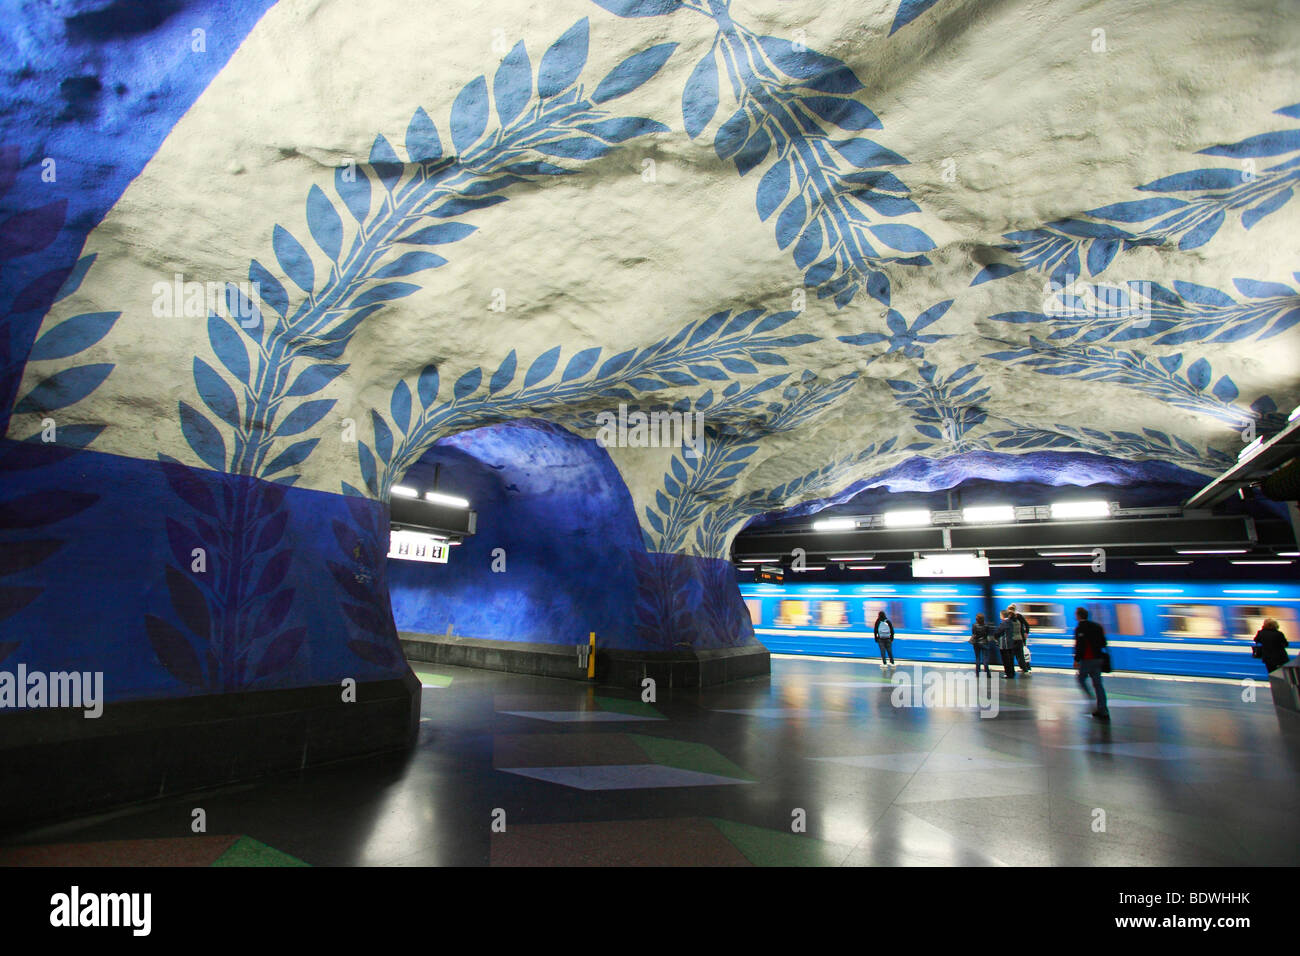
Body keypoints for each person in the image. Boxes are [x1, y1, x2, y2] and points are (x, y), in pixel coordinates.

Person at [1073, 607, 1109, 720]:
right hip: (1098, 658)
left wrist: (1076, 660)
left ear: (1079, 616)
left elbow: (1080, 646)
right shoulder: (1097, 626)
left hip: (1087, 659)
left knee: (1080, 679)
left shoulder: (1080, 628)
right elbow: (1104, 643)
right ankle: (1102, 709)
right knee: (1098, 685)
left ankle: (1092, 700)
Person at [992, 609, 1020, 679]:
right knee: (1011, 660)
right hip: (1010, 644)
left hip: (1004, 645)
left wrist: (995, 636)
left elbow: (998, 632)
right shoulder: (1010, 622)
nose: (999, 616)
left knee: (1006, 660)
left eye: (1000, 615)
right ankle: (1012, 673)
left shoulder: (1004, 623)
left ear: (1002, 615)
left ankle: (1008, 674)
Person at [1008, 603, 1032, 673]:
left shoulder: (1017, 616)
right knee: (1020, 654)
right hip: (1020, 637)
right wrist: (1026, 633)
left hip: (1019, 637)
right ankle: (1024, 668)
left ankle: (1026, 668)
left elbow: (1026, 625)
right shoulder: (1016, 616)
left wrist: (1026, 633)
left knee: (1022, 654)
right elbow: (1026, 625)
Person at [970, 613, 992, 677]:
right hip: (984, 642)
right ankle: (987, 673)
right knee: (985, 658)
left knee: (978, 658)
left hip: (976, 643)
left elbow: (973, 633)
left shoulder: (974, 625)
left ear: (976, 619)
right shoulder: (986, 625)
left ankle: (977, 673)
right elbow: (988, 633)